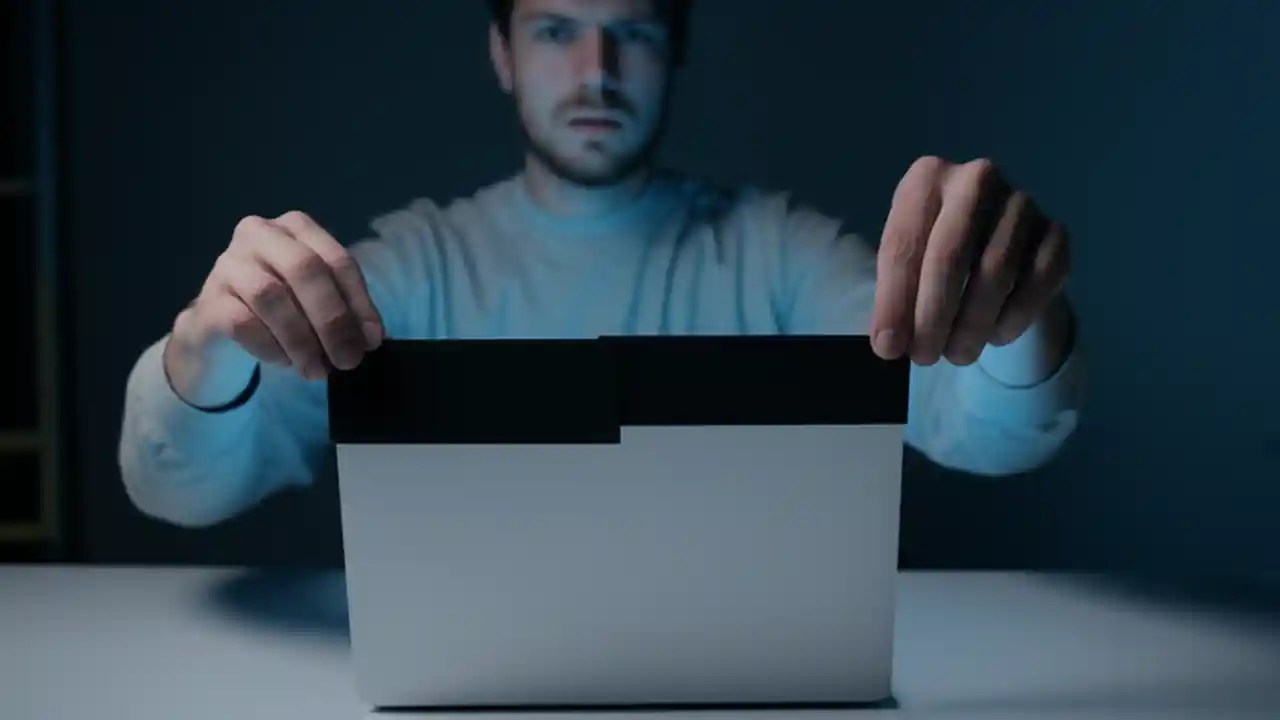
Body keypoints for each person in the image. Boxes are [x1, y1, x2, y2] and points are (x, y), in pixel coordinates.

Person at [119, 0, 1082, 528]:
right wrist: (206, 347)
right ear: (501, 53)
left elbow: (987, 433)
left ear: (676, 52)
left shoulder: (777, 254)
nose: (597, 72)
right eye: (555, 31)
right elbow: (182, 489)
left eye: (633, 33)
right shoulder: (414, 268)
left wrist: (1016, 309)